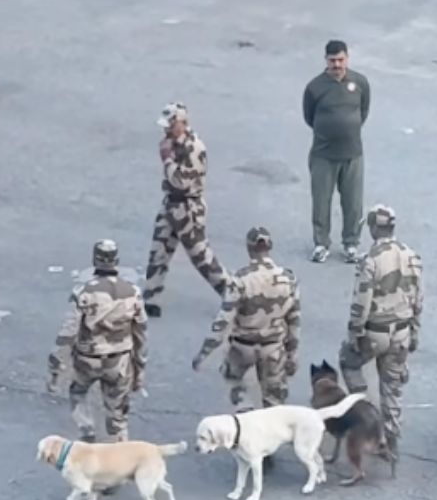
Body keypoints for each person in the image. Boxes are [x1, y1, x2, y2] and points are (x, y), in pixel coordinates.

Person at [337, 204, 423, 465]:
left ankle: (364, 410)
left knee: (349, 361)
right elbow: (418, 299)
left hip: (375, 332)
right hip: (401, 331)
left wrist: (355, 333)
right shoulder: (411, 255)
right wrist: (414, 332)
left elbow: (361, 301)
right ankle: (392, 440)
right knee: (392, 387)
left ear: (373, 228)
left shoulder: (370, 259)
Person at [47, 239, 148, 443]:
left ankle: (86, 430)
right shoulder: (133, 293)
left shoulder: (84, 293)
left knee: (78, 392)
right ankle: (120, 445)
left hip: (88, 358)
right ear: (116, 261)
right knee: (118, 411)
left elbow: (68, 332)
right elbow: (140, 333)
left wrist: (55, 367)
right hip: (119, 361)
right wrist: (139, 370)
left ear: (95, 260)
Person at [193, 227, 300, 413]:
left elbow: (223, 320)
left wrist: (204, 353)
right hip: (273, 348)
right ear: (270, 247)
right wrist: (292, 354)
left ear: (249, 248)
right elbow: (294, 320)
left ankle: (244, 411)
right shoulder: (289, 279)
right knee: (274, 403)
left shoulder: (240, 279)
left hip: (242, 347)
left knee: (234, 381)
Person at [142, 102, 229, 318]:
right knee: (159, 250)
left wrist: (167, 160)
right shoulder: (173, 142)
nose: (166, 130)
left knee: (201, 257)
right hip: (171, 203)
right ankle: (151, 297)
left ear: (181, 123)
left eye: (170, 125)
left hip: (187, 208)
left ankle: (232, 294)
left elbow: (181, 181)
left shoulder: (194, 148)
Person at [302, 40, 371, 263]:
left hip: (352, 154)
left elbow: (363, 110)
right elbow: (309, 117)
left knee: (353, 203)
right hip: (323, 155)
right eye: (332, 60)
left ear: (347, 59)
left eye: (341, 60)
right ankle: (321, 244)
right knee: (321, 202)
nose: (337, 65)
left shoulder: (359, 82)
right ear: (326, 60)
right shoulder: (315, 87)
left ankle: (351, 244)